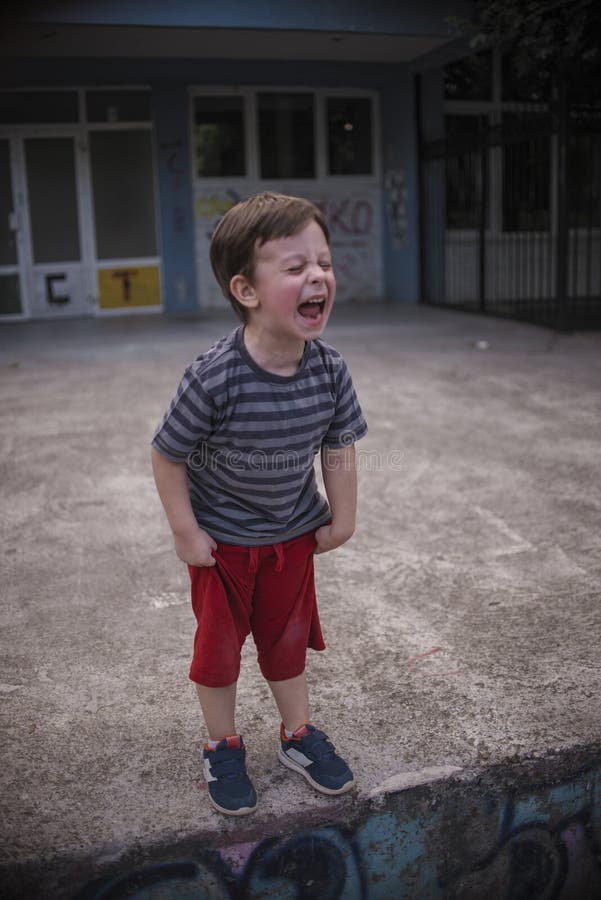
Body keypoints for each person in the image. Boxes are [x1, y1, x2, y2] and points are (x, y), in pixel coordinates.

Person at [151, 192, 367, 817]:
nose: (317, 276)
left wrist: (342, 518)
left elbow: (339, 444)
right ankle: (222, 745)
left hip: (291, 536)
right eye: (296, 267)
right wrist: (186, 532)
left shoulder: (329, 370)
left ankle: (297, 735)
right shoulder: (214, 376)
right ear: (245, 290)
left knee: (286, 641)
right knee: (219, 652)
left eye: (324, 263)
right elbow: (167, 454)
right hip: (221, 544)